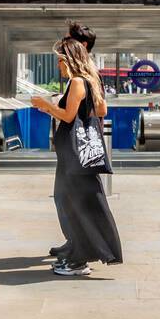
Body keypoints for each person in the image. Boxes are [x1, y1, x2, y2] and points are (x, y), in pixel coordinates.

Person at [31, 31, 121, 277]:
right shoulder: (89, 80)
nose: (58, 66)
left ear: (69, 59)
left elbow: (68, 116)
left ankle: (79, 259)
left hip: (74, 155)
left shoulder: (78, 82)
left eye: (60, 60)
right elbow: (101, 109)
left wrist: (46, 105)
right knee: (76, 202)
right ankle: (79, 252)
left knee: (72, 203)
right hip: (80, 155)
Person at [46, 22, 107, 264]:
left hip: (76, 145)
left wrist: (59, 107)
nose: (64, 45)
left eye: (68, 41)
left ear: (80, 45)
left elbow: (98, 109)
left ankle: (78, 246)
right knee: (69, 195)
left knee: (68, 196)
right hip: (81, 143)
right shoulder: (87, 72)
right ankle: (75, 243)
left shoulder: (83, 74)